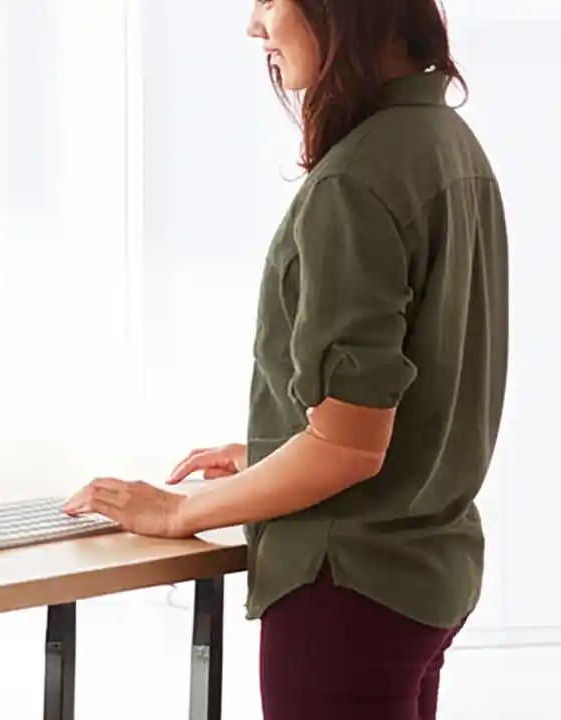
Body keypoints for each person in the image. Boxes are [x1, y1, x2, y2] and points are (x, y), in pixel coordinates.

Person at [64, 1, 508, 718]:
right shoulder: (444, 141)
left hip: (349, 590)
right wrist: (269, 453)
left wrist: (182, 510)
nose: (254, 26)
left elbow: (347, 450)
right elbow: (400, 405)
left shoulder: (355, 181)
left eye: (271, 1)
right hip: (426, 576)